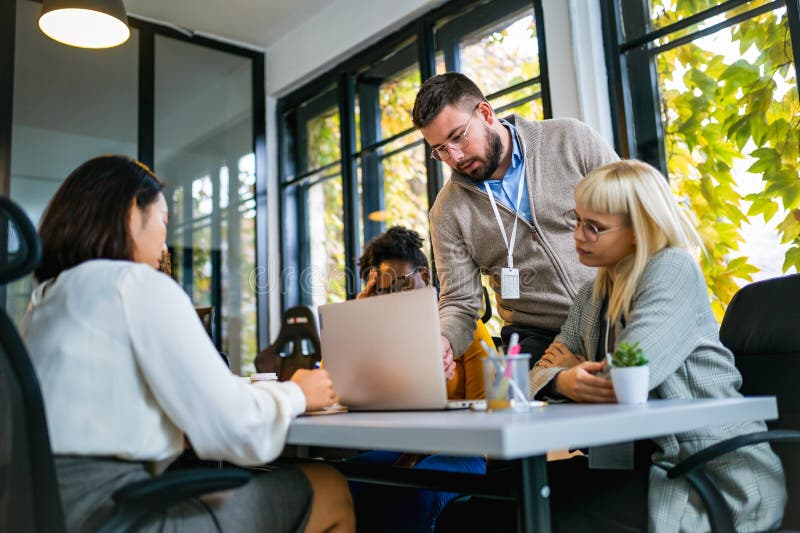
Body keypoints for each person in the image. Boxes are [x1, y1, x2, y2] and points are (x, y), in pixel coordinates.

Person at [21, 155, 355, 533]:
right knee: (328, 487)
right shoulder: (133, 284)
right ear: (133, 210)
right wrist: (297, 393)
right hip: (114, 515)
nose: (165, 247)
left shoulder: (45, 302)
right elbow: (235, 429)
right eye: (163, 222)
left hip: (46, 512)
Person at [525, 159, 785, 532]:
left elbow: (622, 381)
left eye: (594, 227)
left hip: (703, 472)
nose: (577, 236)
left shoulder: (672, 269)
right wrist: (565, 379)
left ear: (638, 230)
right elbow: (539, 373)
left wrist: (574, 375)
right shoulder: (593, 292)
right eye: (577, 221)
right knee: (488, 502)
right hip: (634, 464)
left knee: (518, 515)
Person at [412, 72, 619, 366]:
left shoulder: (571, 140)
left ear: (485, 113)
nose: (455, 157)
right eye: (441, 150)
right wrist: (444, 340)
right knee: (530, 389)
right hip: (537, 337)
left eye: (458, 137)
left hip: (614, 310)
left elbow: (632, 215)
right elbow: (459, 302)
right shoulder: (447, 212)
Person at [348, 226, 488, 533]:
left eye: (401, 284)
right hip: (405, 448)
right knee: (346, 480)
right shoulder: (387, 336)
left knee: (415, 491)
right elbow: (355, 392)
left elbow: (486, 413)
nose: (394, 296)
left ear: (424, 276)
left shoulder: (464, 330)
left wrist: (415, 454)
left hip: (464, 450)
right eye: (385, 290)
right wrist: (361, 319)